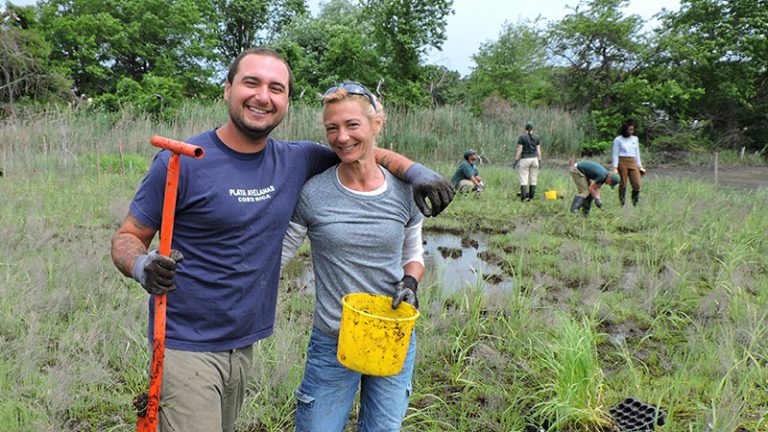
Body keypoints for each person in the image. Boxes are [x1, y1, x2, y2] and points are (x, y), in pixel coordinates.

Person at [110, 48, 453, 432]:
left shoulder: (298, 160)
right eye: (251, 82)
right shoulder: (184, 160)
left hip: (243, 344)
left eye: (276, 88)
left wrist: (415, 171)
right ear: (227, 89)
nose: (263, 96)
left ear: (286, 101)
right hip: (184, 342)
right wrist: (141, 264)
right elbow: (128, 237)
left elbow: (360, 150)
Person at [281, 81, 424, 432]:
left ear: (377, 124)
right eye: (332, 128)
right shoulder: (313, 193)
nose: (341, 137)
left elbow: (414, 253)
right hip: (333, 340)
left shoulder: (405, 190)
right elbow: (278, 255)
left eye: (352, 125)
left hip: (393, 337)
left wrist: (410, 280)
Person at [611, 119, 644, 206]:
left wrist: (639, 166)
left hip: (632, 161)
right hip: (622, 161)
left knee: (637, 184)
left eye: (632, 130)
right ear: (625, 130)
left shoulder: (635, 139)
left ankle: (635, 203)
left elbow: (637, 153)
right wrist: (614, 167)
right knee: (623, 183)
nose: (631, 132)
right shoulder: (618, 140)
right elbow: (615, 154)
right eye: (630, 130)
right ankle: (622, 203)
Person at [513, 120, 542, 201]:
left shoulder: (522, 137)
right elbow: (539, 151)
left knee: (524, 178)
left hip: (525, 159)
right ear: (533, 128)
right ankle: (531, 197)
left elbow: (519, 149)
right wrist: (539, 161)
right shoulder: (537, 138)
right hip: (535, 159)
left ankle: (523, 198)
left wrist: (515, 160)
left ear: (526, 128)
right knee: (533, 178)